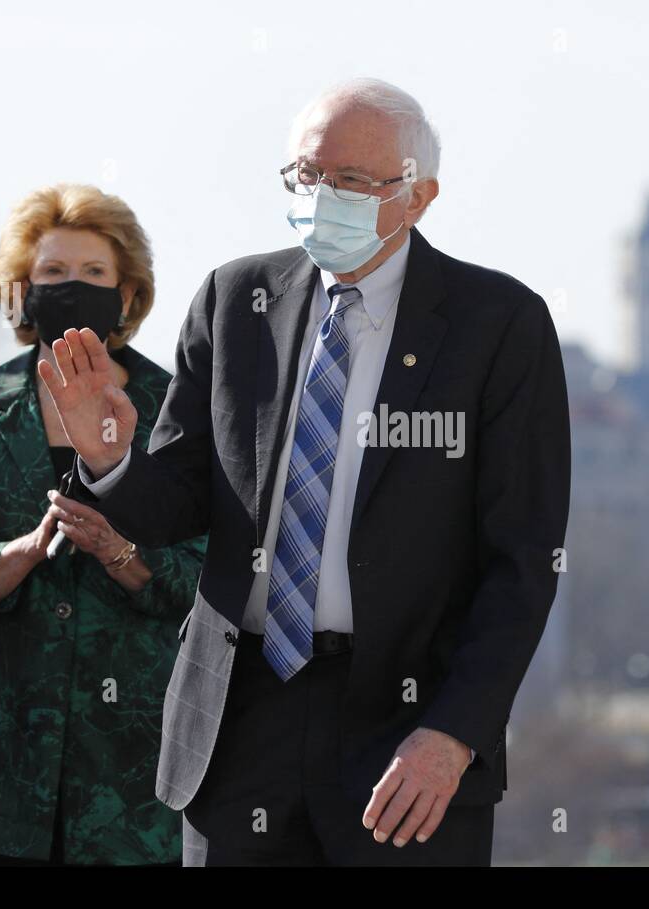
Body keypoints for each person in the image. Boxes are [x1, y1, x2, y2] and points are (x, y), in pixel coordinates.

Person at [40, 78, 571, 865]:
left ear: (418, 196)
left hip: (404, 730)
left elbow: (522, 562)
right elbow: (180, 499)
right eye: (305, 176)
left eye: (350, 181)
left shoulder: (500, 326)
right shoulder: (235, 299)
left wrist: (455, 733)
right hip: (240, 716)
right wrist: (108, 457)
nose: (321, 197)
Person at [0, 184, 207, 865]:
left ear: (127, 296)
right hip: (2, 767)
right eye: (52, 274)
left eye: (94, 274)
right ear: (22, 292)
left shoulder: (177, 409)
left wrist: (119, 552)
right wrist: (18, 553)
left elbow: (210, 574)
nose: (72, 288)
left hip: (135, 775)